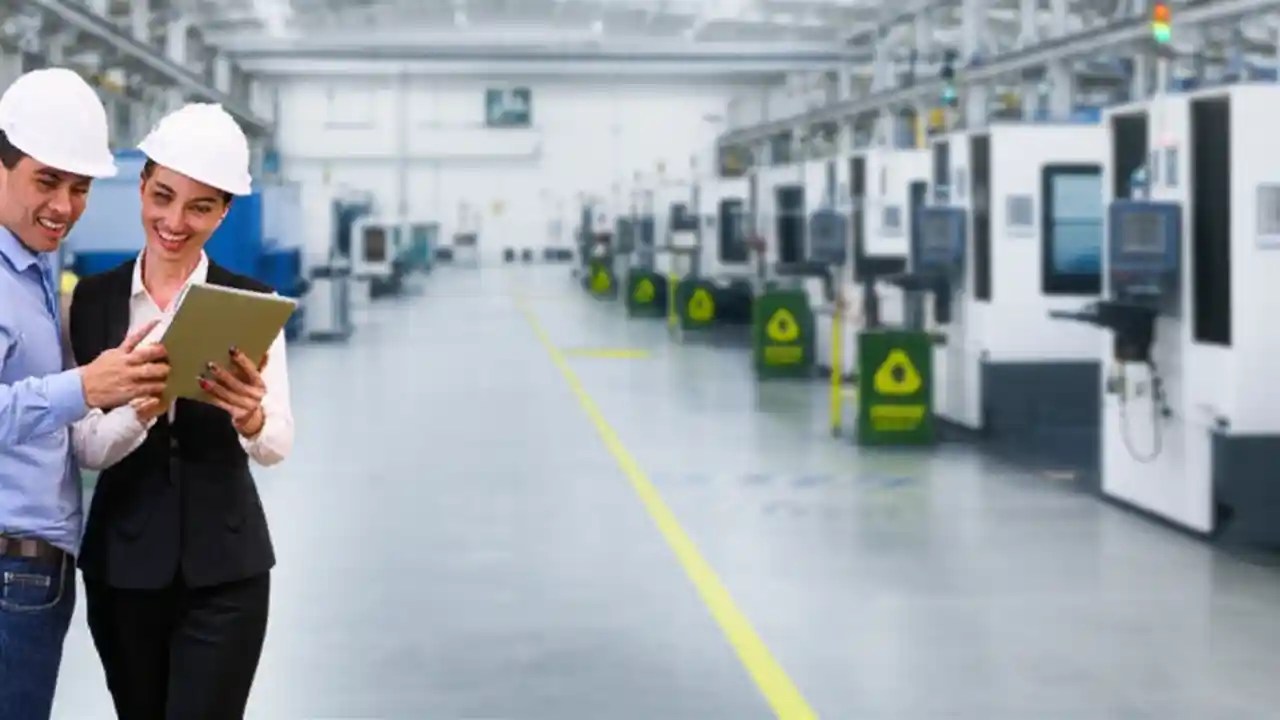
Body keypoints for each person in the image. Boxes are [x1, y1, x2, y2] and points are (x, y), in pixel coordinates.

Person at [68, 102, 294, 720]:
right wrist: (138, 410)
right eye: (162, 196)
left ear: (223, 212)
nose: (174, 221)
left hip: (228, 569)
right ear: (140, 186)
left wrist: (250, 420)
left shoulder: (252, 304)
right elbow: (85, 447)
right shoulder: (92, 302)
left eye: (200, 206)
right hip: (122, 567)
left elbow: (278, 441)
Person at [0, 68, 171, 720]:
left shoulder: (34, 266)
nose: (65, 206)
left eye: (80, 188)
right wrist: (83, 386)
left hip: (35, 569)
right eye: (47, 181)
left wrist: (130, 394)